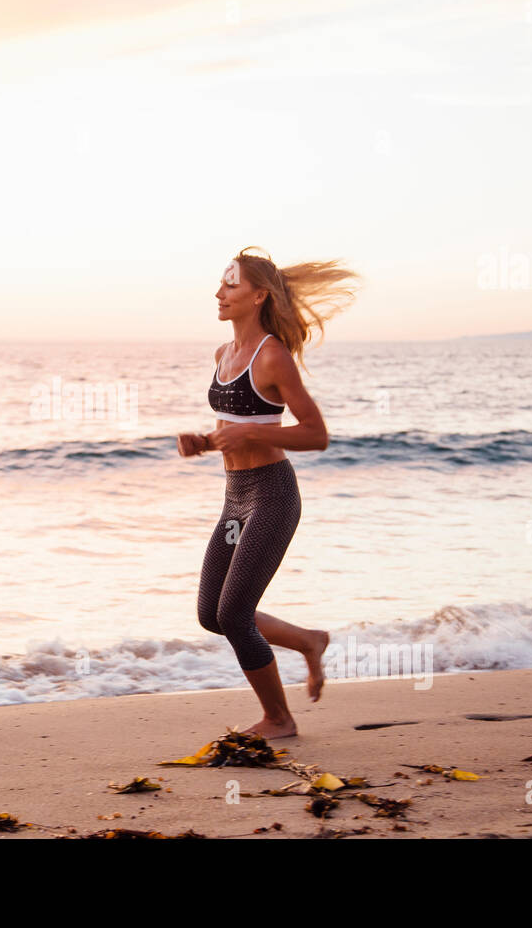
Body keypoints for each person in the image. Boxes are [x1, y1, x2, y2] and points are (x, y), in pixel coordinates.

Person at [177, 246, 358, 739]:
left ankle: (279, 719)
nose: (219, 292)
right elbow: (237, 426)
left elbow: (316, 435)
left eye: (230, 285)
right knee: (211, 614)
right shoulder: (223, 355)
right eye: (220, 283)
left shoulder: (272, 354)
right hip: (236, 495)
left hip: (273, 494)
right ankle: (307, 640)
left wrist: (251, 436)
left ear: (258, 296)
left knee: (234, 614)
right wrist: (206, 442)